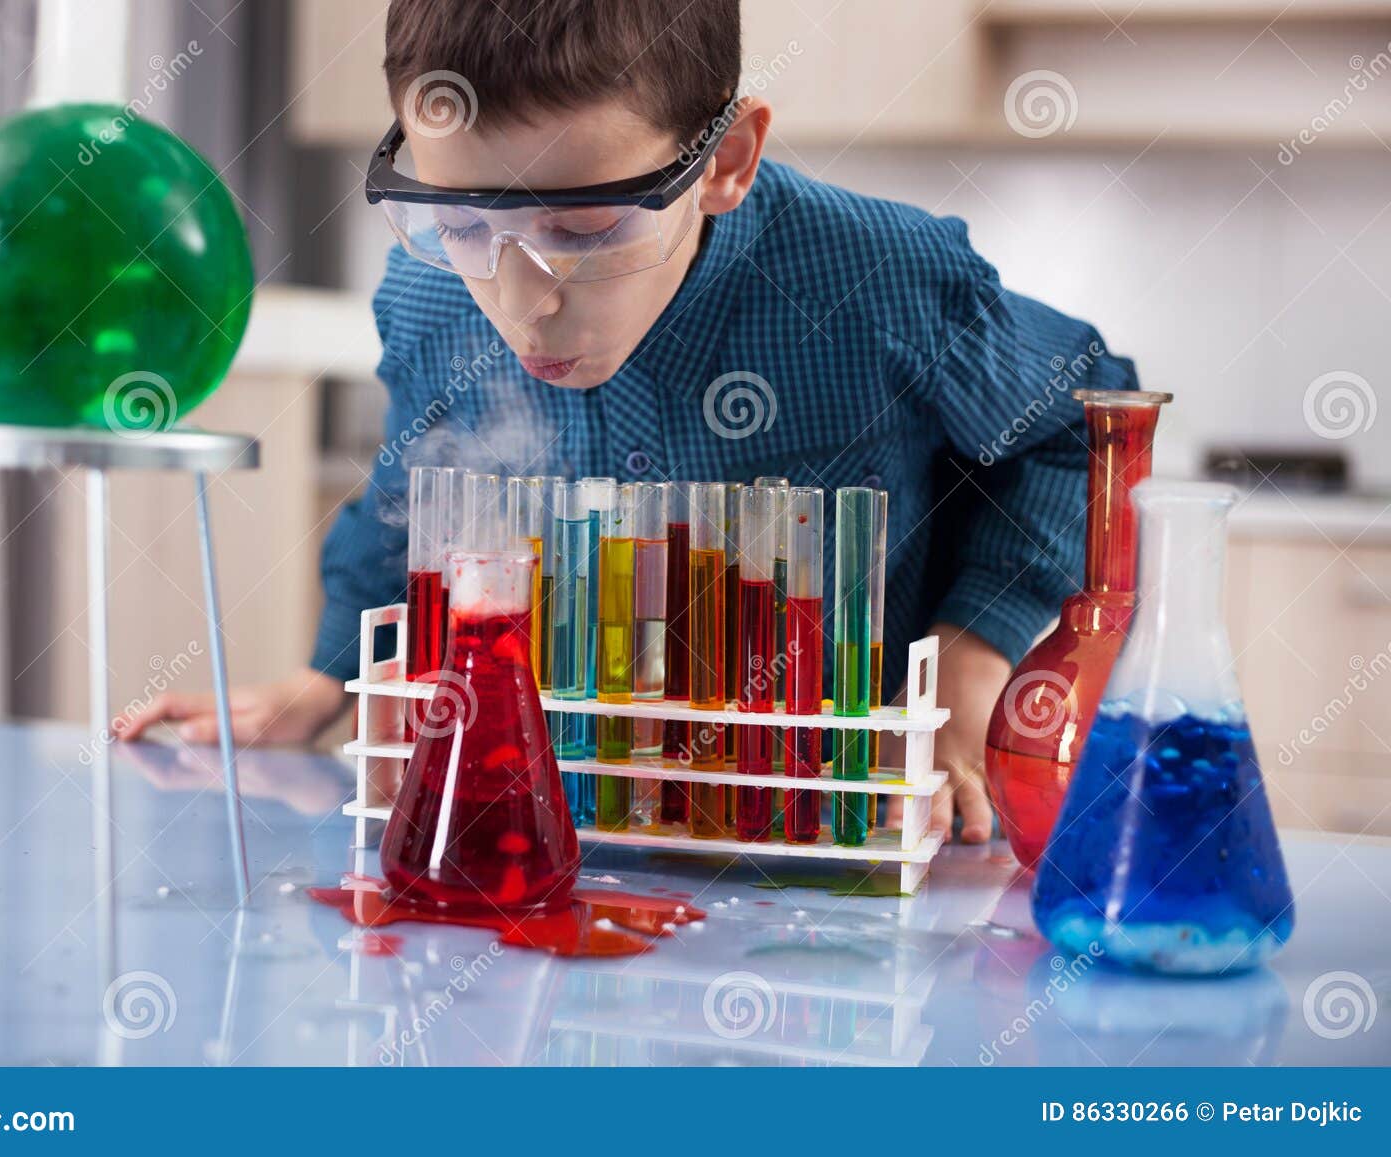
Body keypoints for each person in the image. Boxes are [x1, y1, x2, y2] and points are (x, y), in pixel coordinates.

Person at [116, 0, 1138, 842]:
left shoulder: (876, 278)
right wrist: (325, 675)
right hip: (569, 823)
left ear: (724, 162)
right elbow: (409, 491)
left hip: (830, 829)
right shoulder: (426, 296)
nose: (523, 300)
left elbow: (1079, 424)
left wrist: (973, 656)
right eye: (464, 224)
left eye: (583, 229)